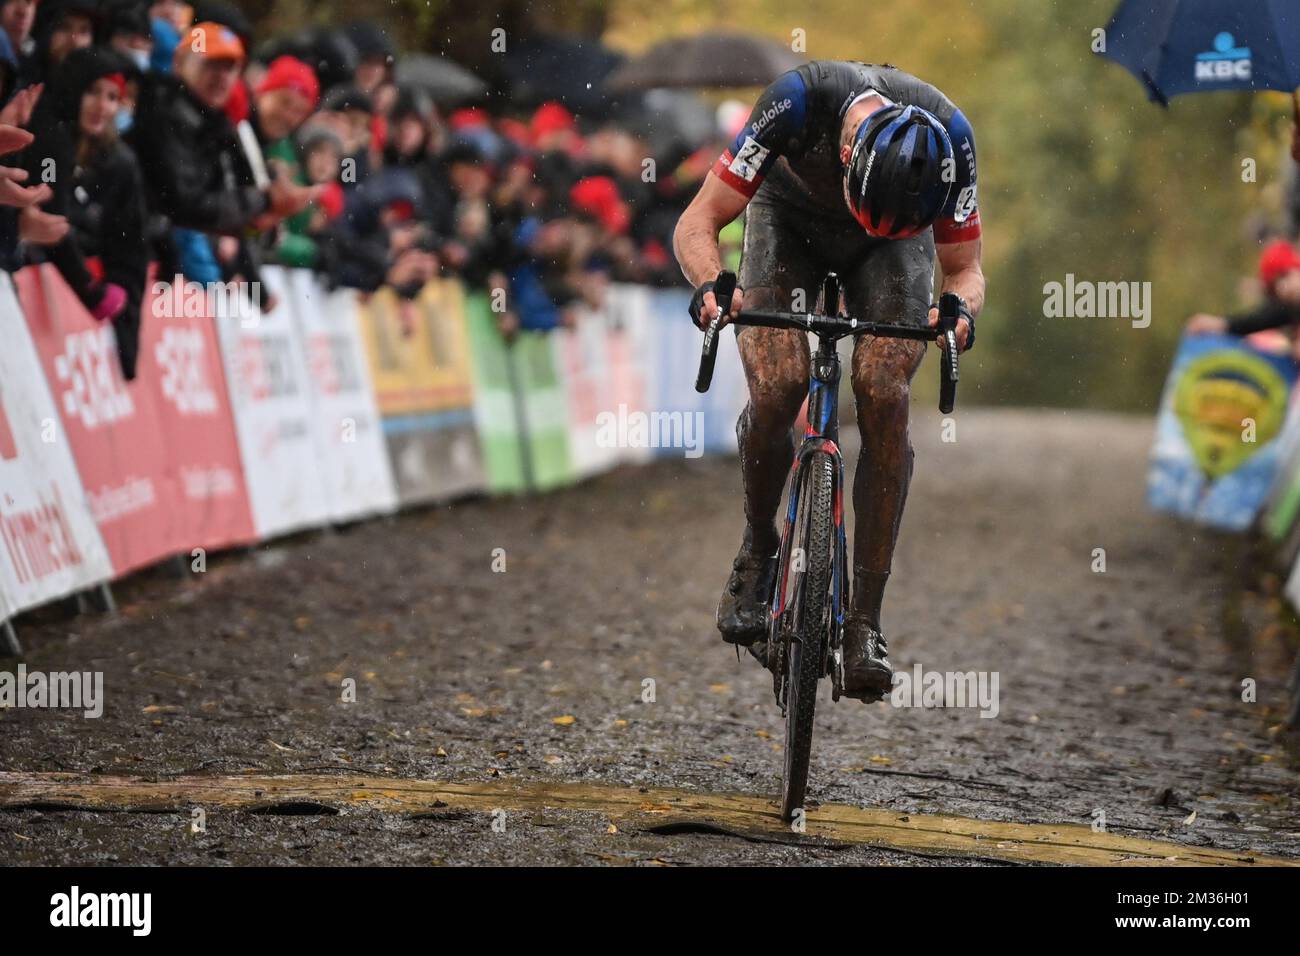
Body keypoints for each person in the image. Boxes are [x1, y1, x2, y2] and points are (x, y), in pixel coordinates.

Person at [672, 60, 984, 702]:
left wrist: (958, 310)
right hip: (789, 220)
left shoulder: (949, 140)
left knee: (884, 392)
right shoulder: (793, 103)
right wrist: (710, 283)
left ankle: (865, 622)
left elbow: (965, 270)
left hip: (894, 247)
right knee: (779, 383)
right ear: (845, 154)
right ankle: (758, 551)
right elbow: (697, 222)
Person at [1187, 240, 1300, 358]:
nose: (1282, 287)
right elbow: (1258, 320)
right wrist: (1220, 324)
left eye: (1284, 275)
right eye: (1275, 286)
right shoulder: (1290, 308)